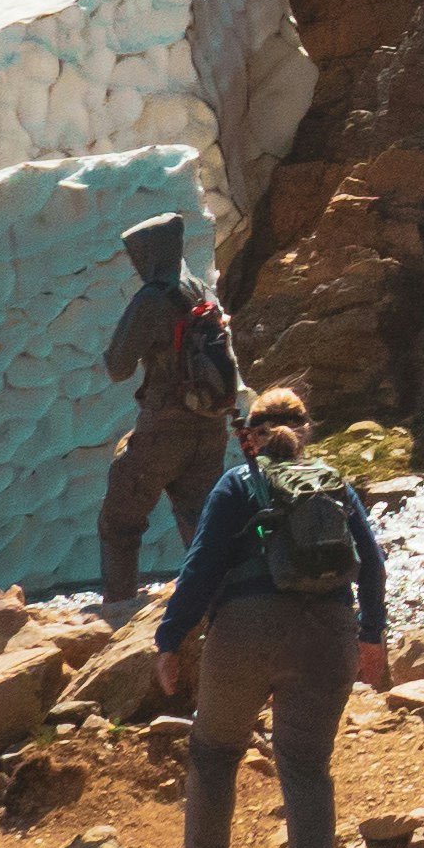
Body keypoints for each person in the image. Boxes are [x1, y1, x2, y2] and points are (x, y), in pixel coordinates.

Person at [153, 383, 392, 848]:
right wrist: (371, 636)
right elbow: (374, 565)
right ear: (305, 431)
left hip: (247, 632)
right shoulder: (334, 484)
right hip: (329, 636)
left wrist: (170, 639)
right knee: (307, 770)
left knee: (214, 752)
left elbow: (202, 566)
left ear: (250, 437)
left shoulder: (237, 486)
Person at [96, 213, 239, 613]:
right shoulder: (200, 291)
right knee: (201, 525)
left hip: (165, 430)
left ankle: (118, 614)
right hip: (210, 429)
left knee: (120, 520)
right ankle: (220, 610)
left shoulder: (151, 299)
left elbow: (117, 367)